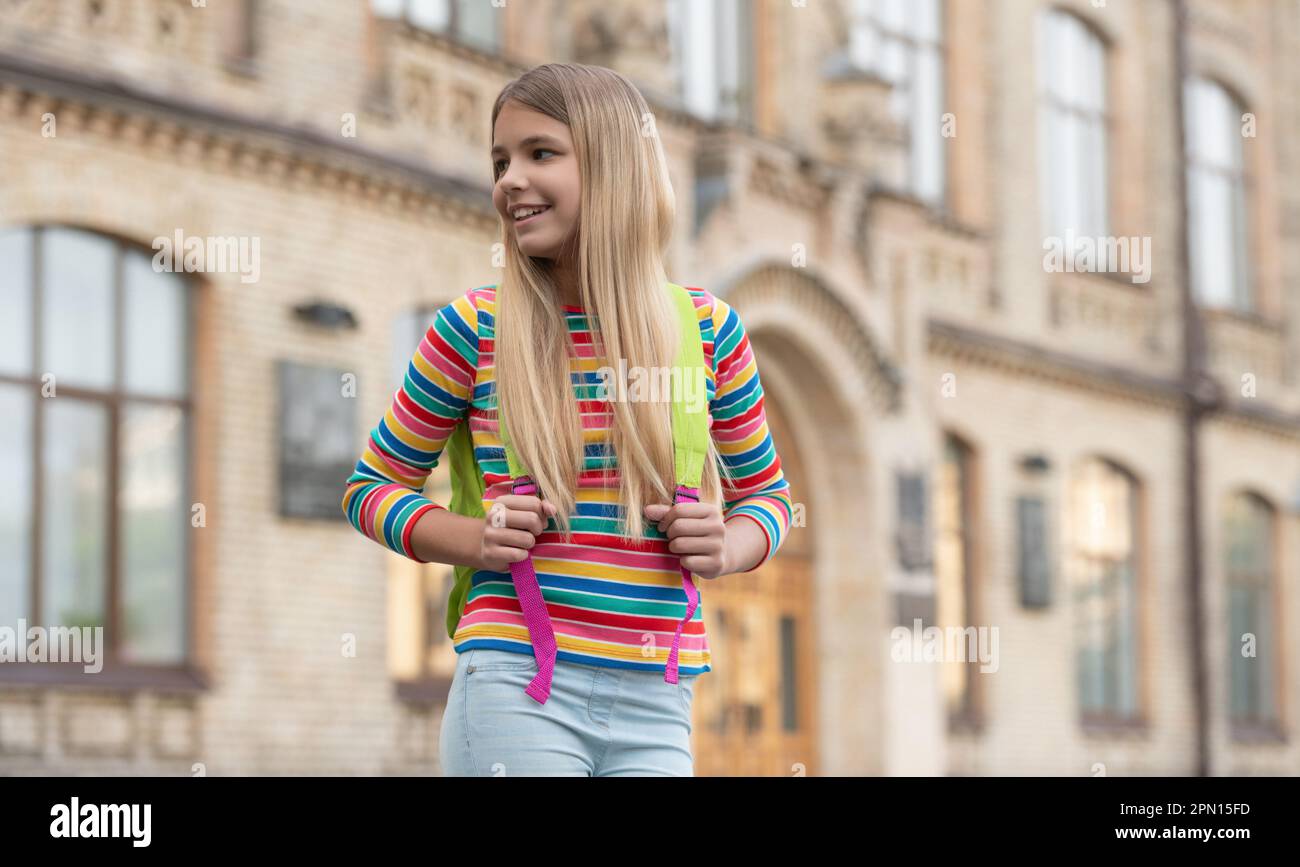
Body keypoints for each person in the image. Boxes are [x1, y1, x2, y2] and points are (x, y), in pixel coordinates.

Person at [342, 62, 792, 776]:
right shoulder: (475, 328)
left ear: (615, 166)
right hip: (517, 681)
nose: (508, 180)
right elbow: (369, 490)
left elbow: (769, 500)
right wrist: (476, 537)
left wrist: (727, 545)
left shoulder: (708, 330)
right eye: (500, 160)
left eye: (539, 153)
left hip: (660, 691)